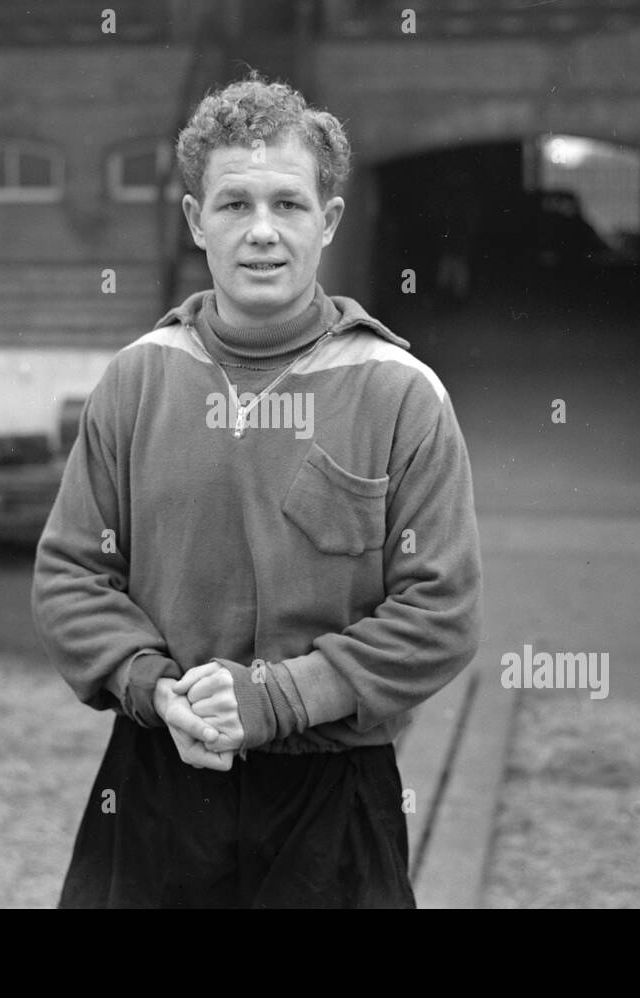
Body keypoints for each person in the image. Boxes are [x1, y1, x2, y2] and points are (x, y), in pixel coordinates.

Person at [31, 74, 482, 908]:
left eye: (289, 204)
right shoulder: (138, 380)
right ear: (197, 220)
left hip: (331, 791)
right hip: (160, 776)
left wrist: (277, 698)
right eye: (235, 204)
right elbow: (70, 576)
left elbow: (442, 613)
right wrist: (153, 688)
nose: (263, 232)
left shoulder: (400, 392)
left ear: (330, 221)